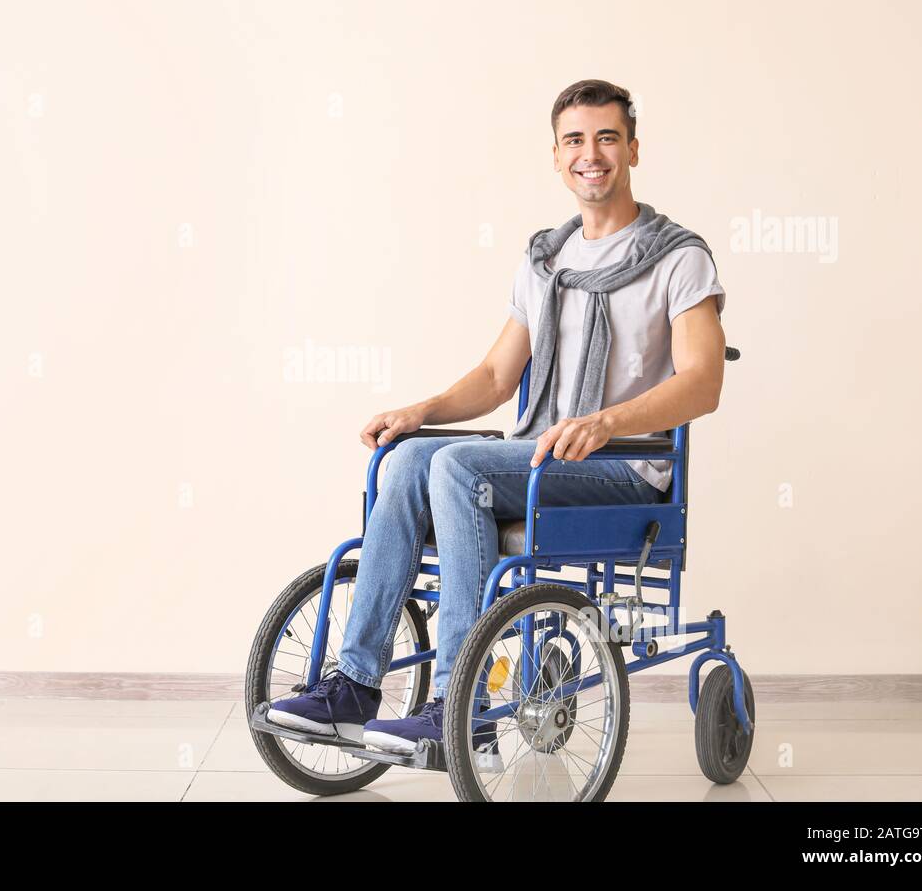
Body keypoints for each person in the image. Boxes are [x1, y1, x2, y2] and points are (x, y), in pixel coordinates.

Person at [266, 79, 728, 760]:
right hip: (543, 460)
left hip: (623, 470)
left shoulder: (679, 257)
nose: (590, 154)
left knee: (456, 466)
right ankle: (355, 685)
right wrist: (417, 411)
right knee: (409, 456)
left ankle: (463, 707)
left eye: (606, 137)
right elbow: (495, 377)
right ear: (556, 155)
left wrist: (606, 421)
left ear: (632, 148)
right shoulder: (546, 259)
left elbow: (703, 382)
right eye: (575, 140)